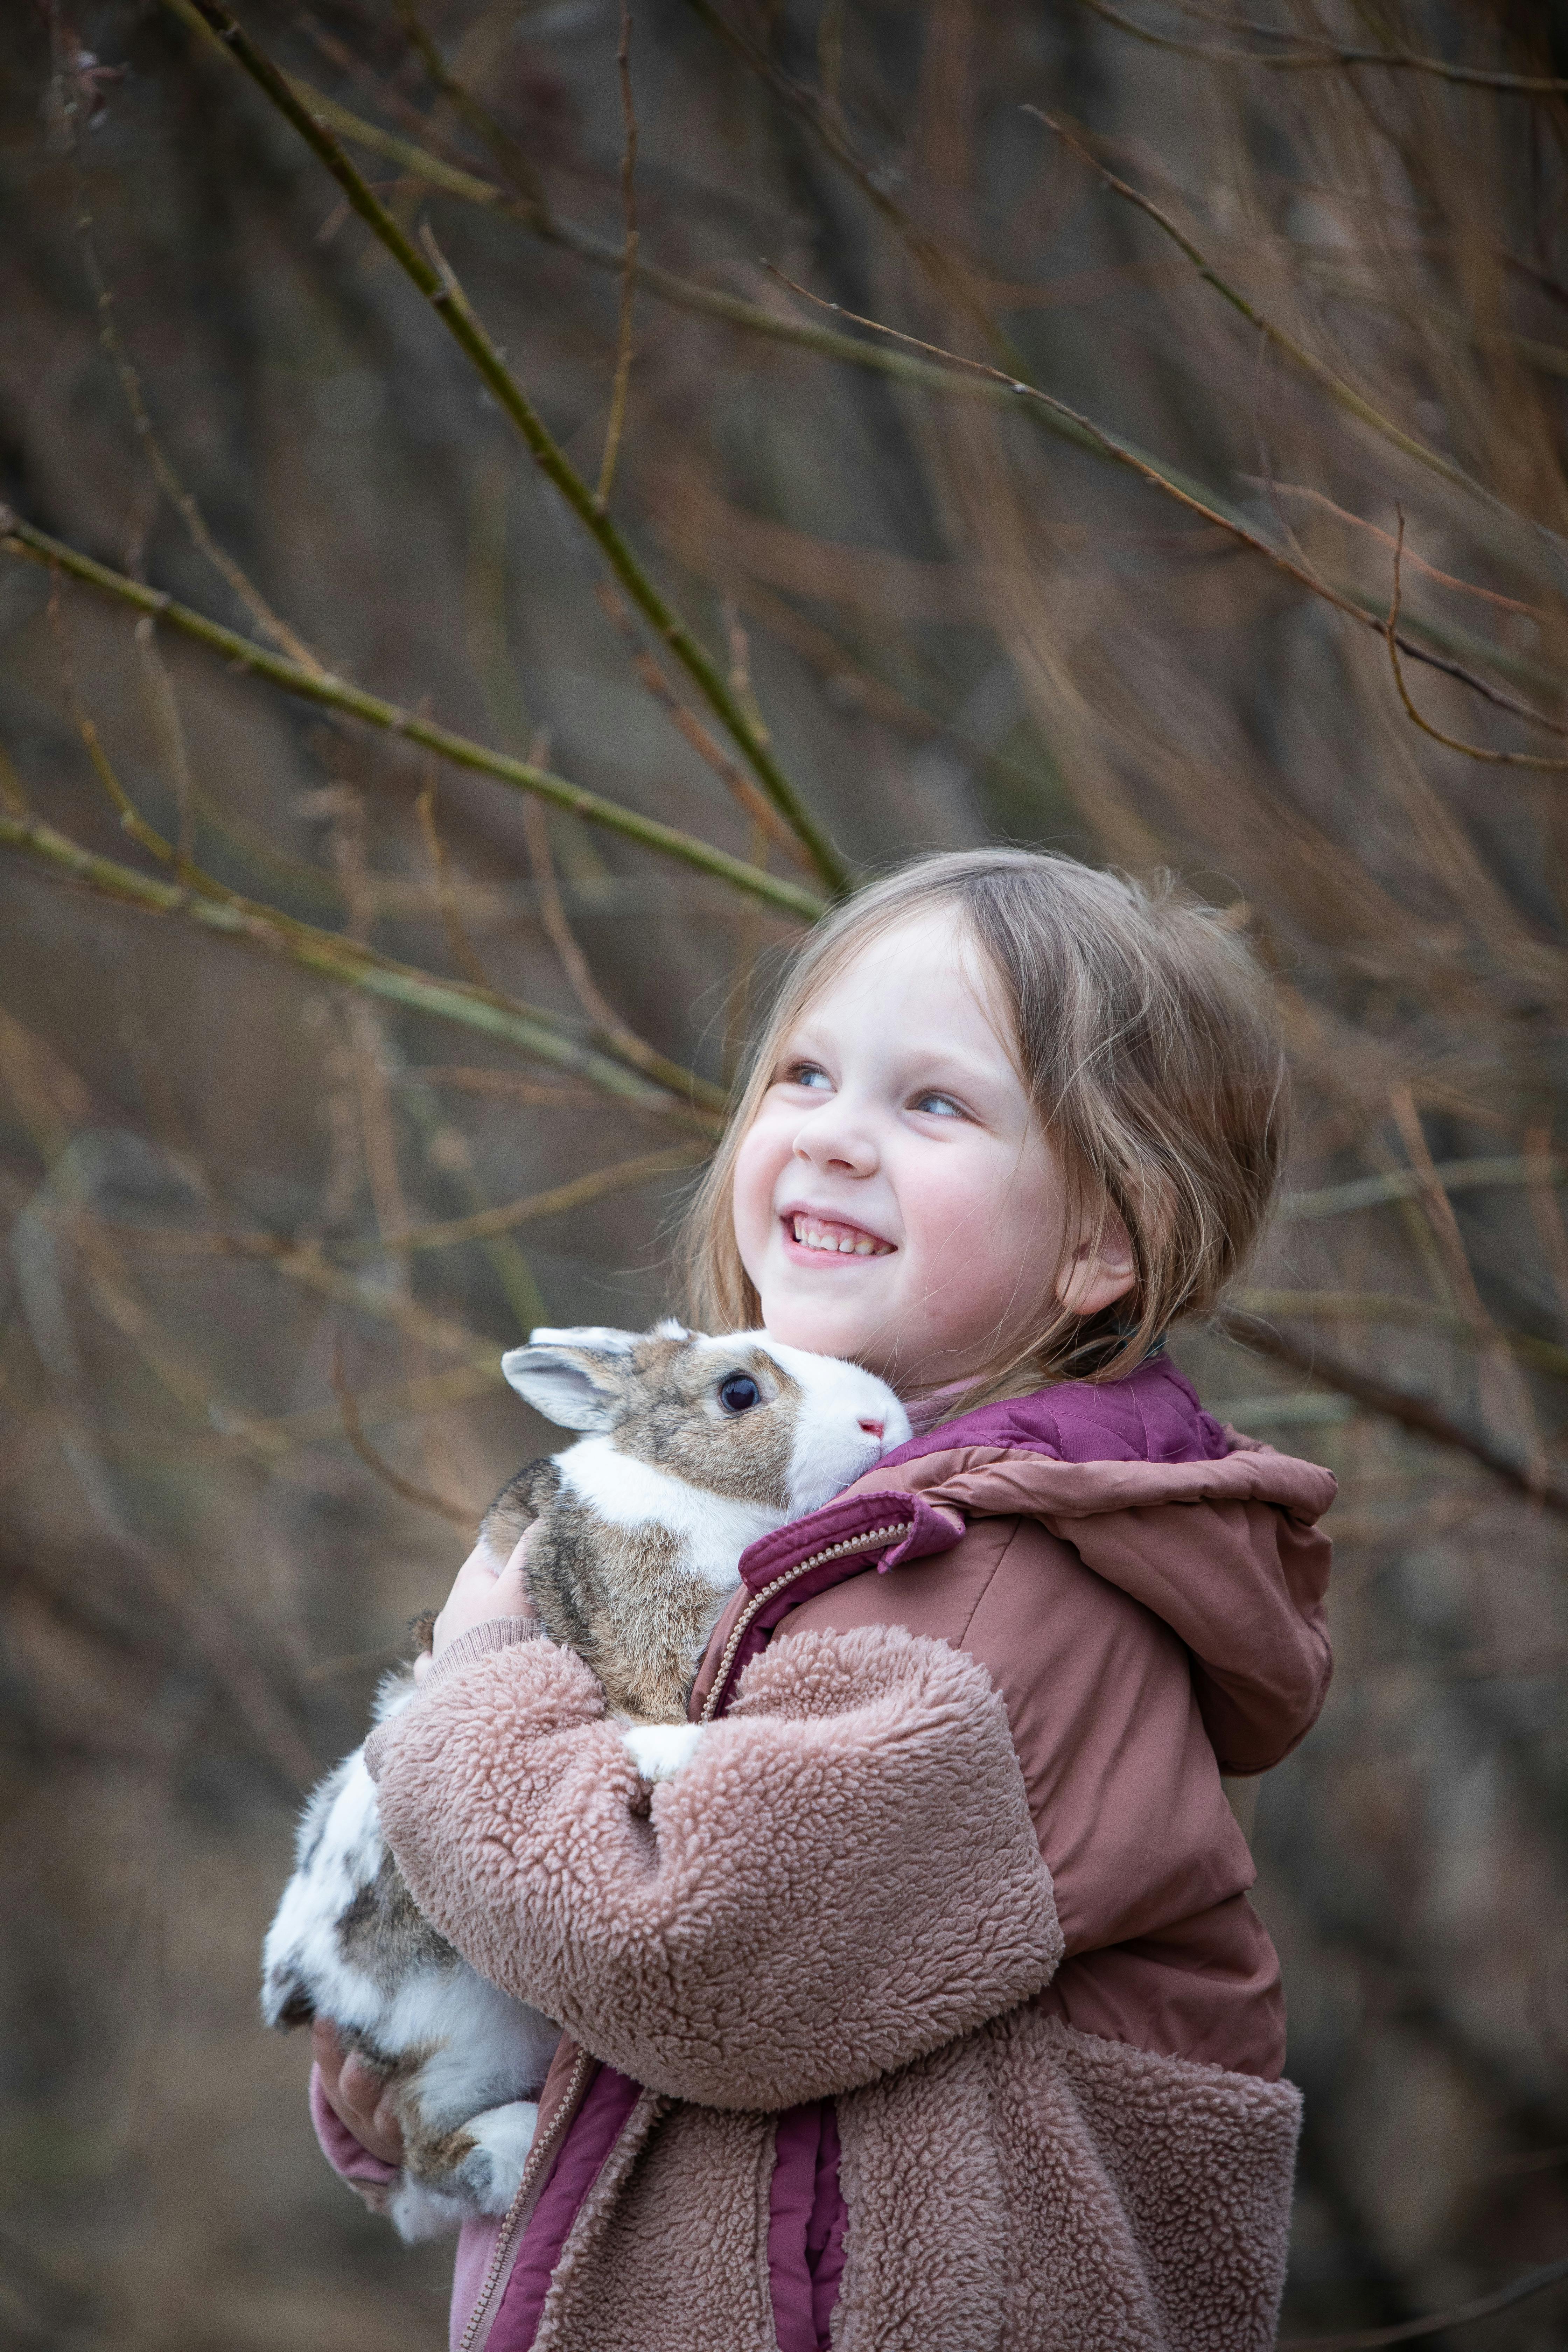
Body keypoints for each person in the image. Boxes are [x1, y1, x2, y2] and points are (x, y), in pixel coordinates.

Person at [312, 849, 1335, 2351]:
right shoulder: (773, 1538)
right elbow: (577, 1922)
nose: (835, 1137)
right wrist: (415, 2042)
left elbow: (692, 1955)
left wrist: (473, 1681)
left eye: (934, 1103)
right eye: (802, 1075)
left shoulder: (991, 1588)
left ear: (1102, 1243)